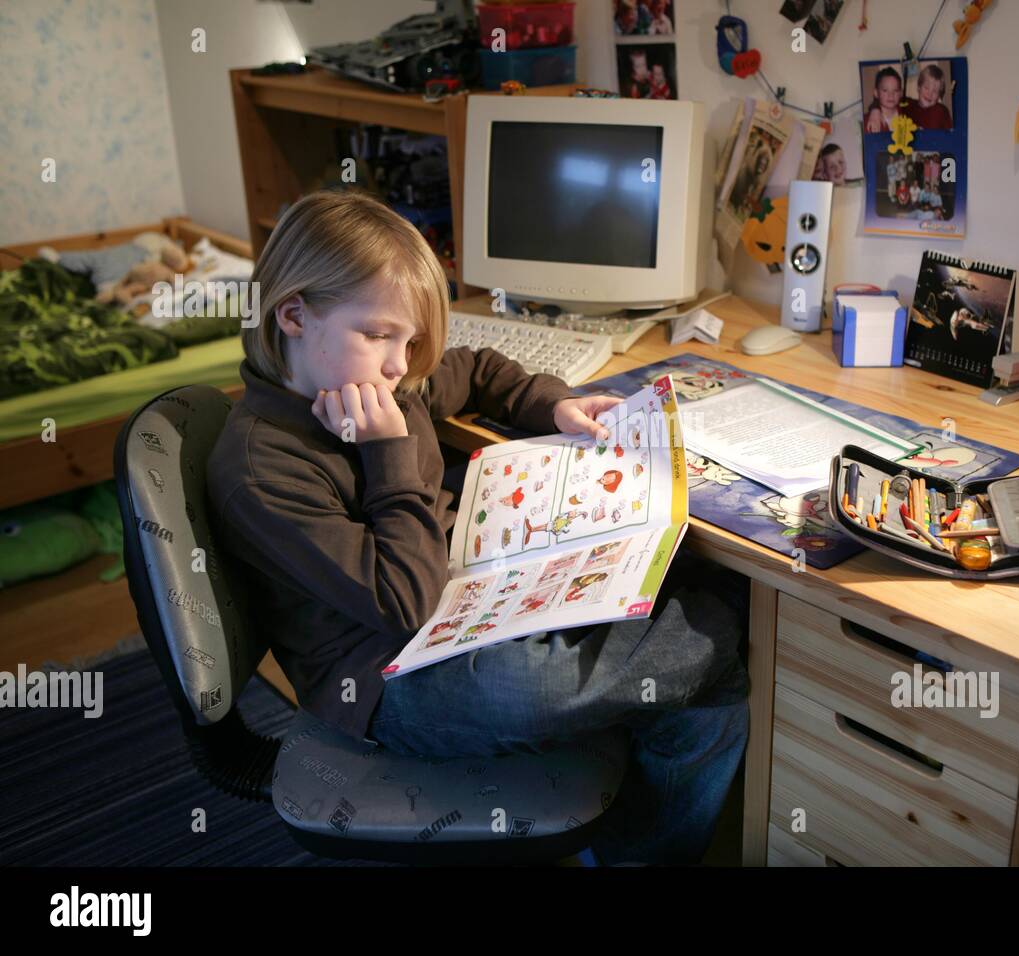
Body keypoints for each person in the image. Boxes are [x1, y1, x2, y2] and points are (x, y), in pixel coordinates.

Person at [206, 190, 751, 866]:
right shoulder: (262, 469)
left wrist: (552, 405)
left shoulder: (379, 382)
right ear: (292, 315)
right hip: (381, 676)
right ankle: (714, 635)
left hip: (464, 587)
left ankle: (649, 789)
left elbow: (479, 370)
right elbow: (403, 605)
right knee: (526, 687)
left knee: (646, 594)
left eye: (408, 341)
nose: (401, 366)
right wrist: (390, 449)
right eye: (379, 334)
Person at [905, 63, 953, 130]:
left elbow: (950, 136)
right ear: (919, 87)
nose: (929, 94)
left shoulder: (942, 112)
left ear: (939, 95)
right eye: (926, 88)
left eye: (935, 91)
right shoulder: (909, 107)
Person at [863, 66, 904, 134]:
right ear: (876, 93)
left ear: (901, 93)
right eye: (885, 90)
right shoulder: (868, 121)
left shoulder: (909, 113)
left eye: (895, 90)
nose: (891, 95)